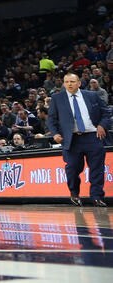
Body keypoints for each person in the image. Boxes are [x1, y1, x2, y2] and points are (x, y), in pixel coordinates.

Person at [46, 72, 111, 206]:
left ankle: (97, 197)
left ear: (79, 83)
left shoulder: (92, 95)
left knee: (97, 168)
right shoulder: (57, 98)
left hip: (93, 136)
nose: (69, 84)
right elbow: (51, 120)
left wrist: (101, 125)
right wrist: (55, 134)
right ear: (64, 83)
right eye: (67, 82)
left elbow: (106, 112)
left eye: (72, 81)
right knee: (73, 169)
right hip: (71, 139)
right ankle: (74, 193)